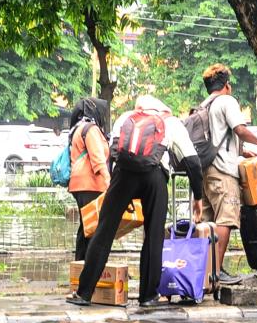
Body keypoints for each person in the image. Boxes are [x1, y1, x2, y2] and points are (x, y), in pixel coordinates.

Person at [67, 94, 203, 309]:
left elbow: (112, 154)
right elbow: (193, 163)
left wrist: (114, 186)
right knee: (153, 236)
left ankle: (84, 293)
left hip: (123, 175)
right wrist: (198, 197)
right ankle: (148, 296)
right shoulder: (171, 123)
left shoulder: (125, 118)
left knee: (104, 231)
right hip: (154, 177)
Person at [197, 64, 257, 285]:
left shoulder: (205, 105)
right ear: (227, 85)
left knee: (207, 223)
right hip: (223, 172)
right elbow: (239, 129)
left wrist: (242, 151)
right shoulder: (226, 101)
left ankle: (204, 272)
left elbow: (219, 137)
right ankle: (217, 272)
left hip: (206, 171)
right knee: (225, 220)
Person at [67, 97, 111, 261]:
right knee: (94, 229)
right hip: (91, 185)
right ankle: (92, 268)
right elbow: (98, 160)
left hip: (79, 185)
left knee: (86, 227)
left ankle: (80, 267)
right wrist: (109, 185)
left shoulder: (78, 128)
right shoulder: (91, 130)